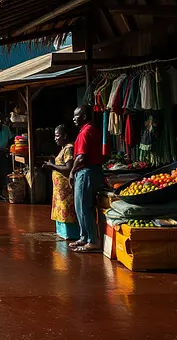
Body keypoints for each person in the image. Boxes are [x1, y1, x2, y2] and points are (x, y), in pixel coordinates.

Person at [69, 106, 104, 253]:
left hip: (86, 172)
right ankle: (84, 237)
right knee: (81, 206)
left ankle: (92, 241)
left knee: (83, 207)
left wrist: (72, 172)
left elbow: (82, 157)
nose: (73, 119)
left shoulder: (85, 132)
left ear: (83, 117)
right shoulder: (91, 130)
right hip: (92, 171)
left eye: (76, 116)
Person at [43, 124, 77, 239]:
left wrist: (52, 166)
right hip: (60, 190)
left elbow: (68, 168)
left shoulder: (69, 149)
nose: (55, 138)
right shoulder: (63, 149)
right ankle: (63, 232)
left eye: (58, 136)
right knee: (61, 208)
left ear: (65, 135)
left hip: (66, 189)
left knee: (66, 209)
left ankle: (71, 233)